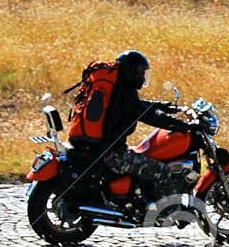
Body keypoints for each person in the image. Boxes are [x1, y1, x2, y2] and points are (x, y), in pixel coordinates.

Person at [77, 50, 193, 201]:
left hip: (103, 150)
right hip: (114, 156)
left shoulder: (117, 89)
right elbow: (149, 116)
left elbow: (140, 106)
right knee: (163, 171)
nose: (143, 77)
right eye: (141, 73)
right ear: (131, 72)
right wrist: (182, 125)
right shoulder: (125, 93)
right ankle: (170, 211)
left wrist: (165, 106)